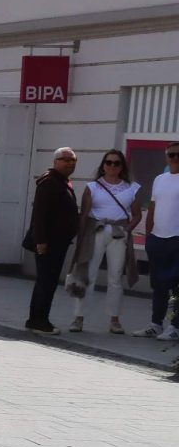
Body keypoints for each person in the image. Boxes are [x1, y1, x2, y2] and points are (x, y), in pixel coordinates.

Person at [66, 149, 142, 335]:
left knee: (115, 278)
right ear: (103, 165)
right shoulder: (93, 187)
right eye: (108, 162)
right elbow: (84, 214)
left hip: (118, 233)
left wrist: (127, 229)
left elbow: (137, 214)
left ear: (122, 166)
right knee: (87, 275)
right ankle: (79, 318)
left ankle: (114, 320)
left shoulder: (131, 188)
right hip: (95, 232)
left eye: (117, 163)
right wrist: (80, 237)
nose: (112, 166)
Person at [24, 148, 79, 335]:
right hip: (48, 242)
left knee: (47, 282)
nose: (70, 163)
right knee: (46, 282)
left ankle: (36, 319)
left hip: (58, 242)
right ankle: (39, 321)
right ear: (55, 161)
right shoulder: (49, 182)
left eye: (73, 160)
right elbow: (39, 214)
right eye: (65, 159)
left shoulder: (62, 181)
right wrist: (40, 241)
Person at [141, 142, 179, 340]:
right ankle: (156, 324)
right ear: (166, 157)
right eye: (171, 155)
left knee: (176, 286)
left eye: (178, 155)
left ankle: (175, 327)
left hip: (176, 239)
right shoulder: (159, 179)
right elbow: (152, 208)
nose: (174, 158)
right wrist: (149, 236)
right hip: (157, 239)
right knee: (158, 285)